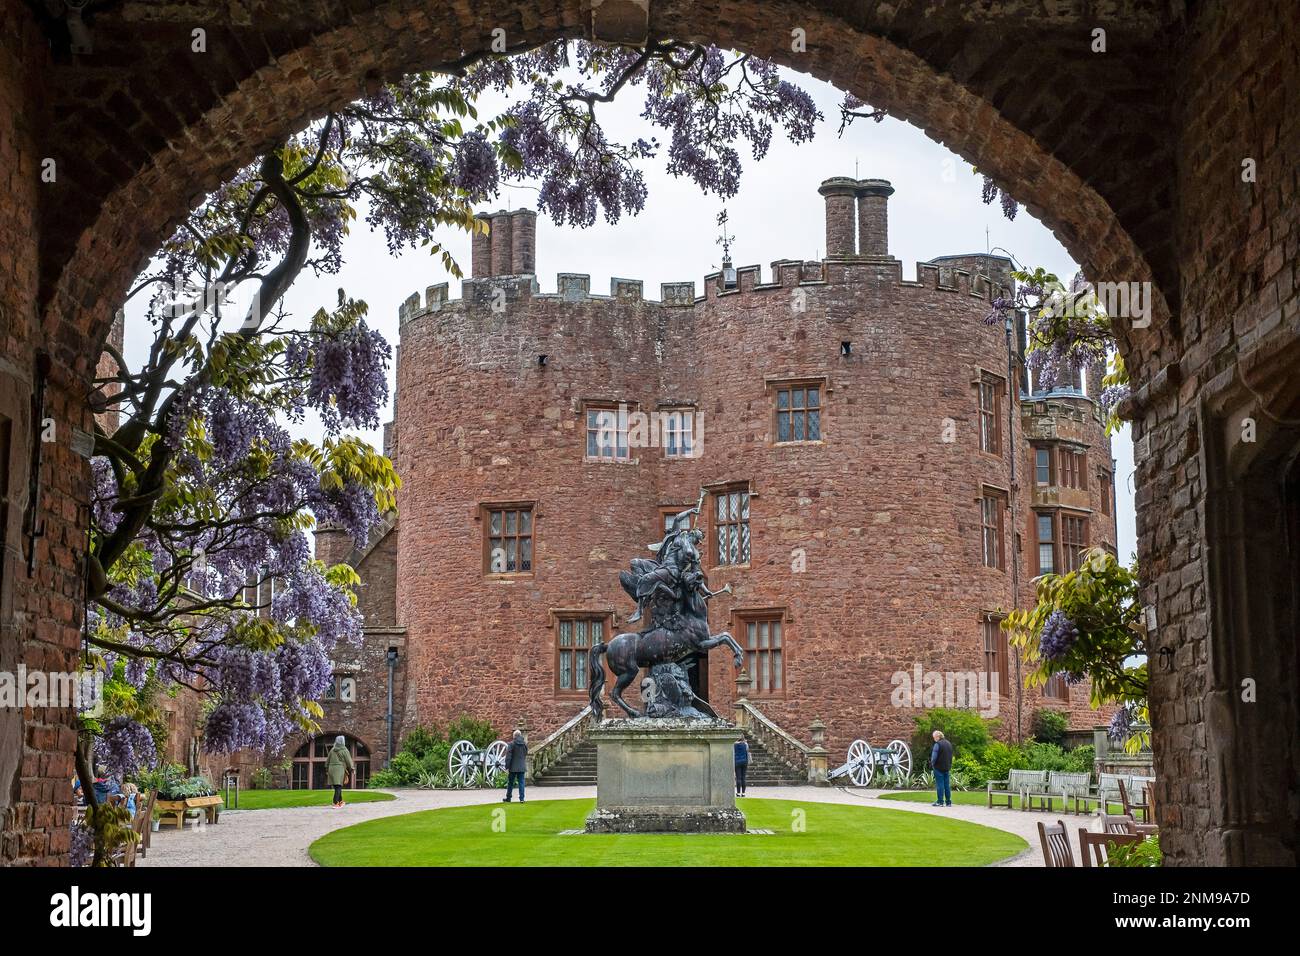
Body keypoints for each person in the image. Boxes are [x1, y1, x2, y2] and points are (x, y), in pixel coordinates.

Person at [325, 735, 354, 808]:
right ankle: (335, 803)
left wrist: (327, 769)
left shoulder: (332, 749)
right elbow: (349, 761)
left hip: (331, 769)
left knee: (337, 786)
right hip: (339, 769)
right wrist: (352, 768)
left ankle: (340, 801)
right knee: (338, 786)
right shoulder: (344, 750)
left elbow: (327, 761)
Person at [502, 729, 528, 803]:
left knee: (510, 783)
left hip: (513, 767)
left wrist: (507, 766)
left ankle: (508, 797)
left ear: (514, 736)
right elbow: (525, 753)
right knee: (521, 783)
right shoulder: (525, 744)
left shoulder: (511, 744)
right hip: (522, 766)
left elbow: (508, 756)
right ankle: (522, 798)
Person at [930, 729, 953, 807]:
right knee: (947, 785)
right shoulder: (949, 743)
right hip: (947, 767)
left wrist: (932, 764)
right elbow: (951, 756)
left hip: (938, 767)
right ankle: (948, 802)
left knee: (940, 785)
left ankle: (940, 801)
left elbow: (934, 757)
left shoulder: (938, 744)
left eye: (934, 737)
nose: (934, 739)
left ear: (937, 736)